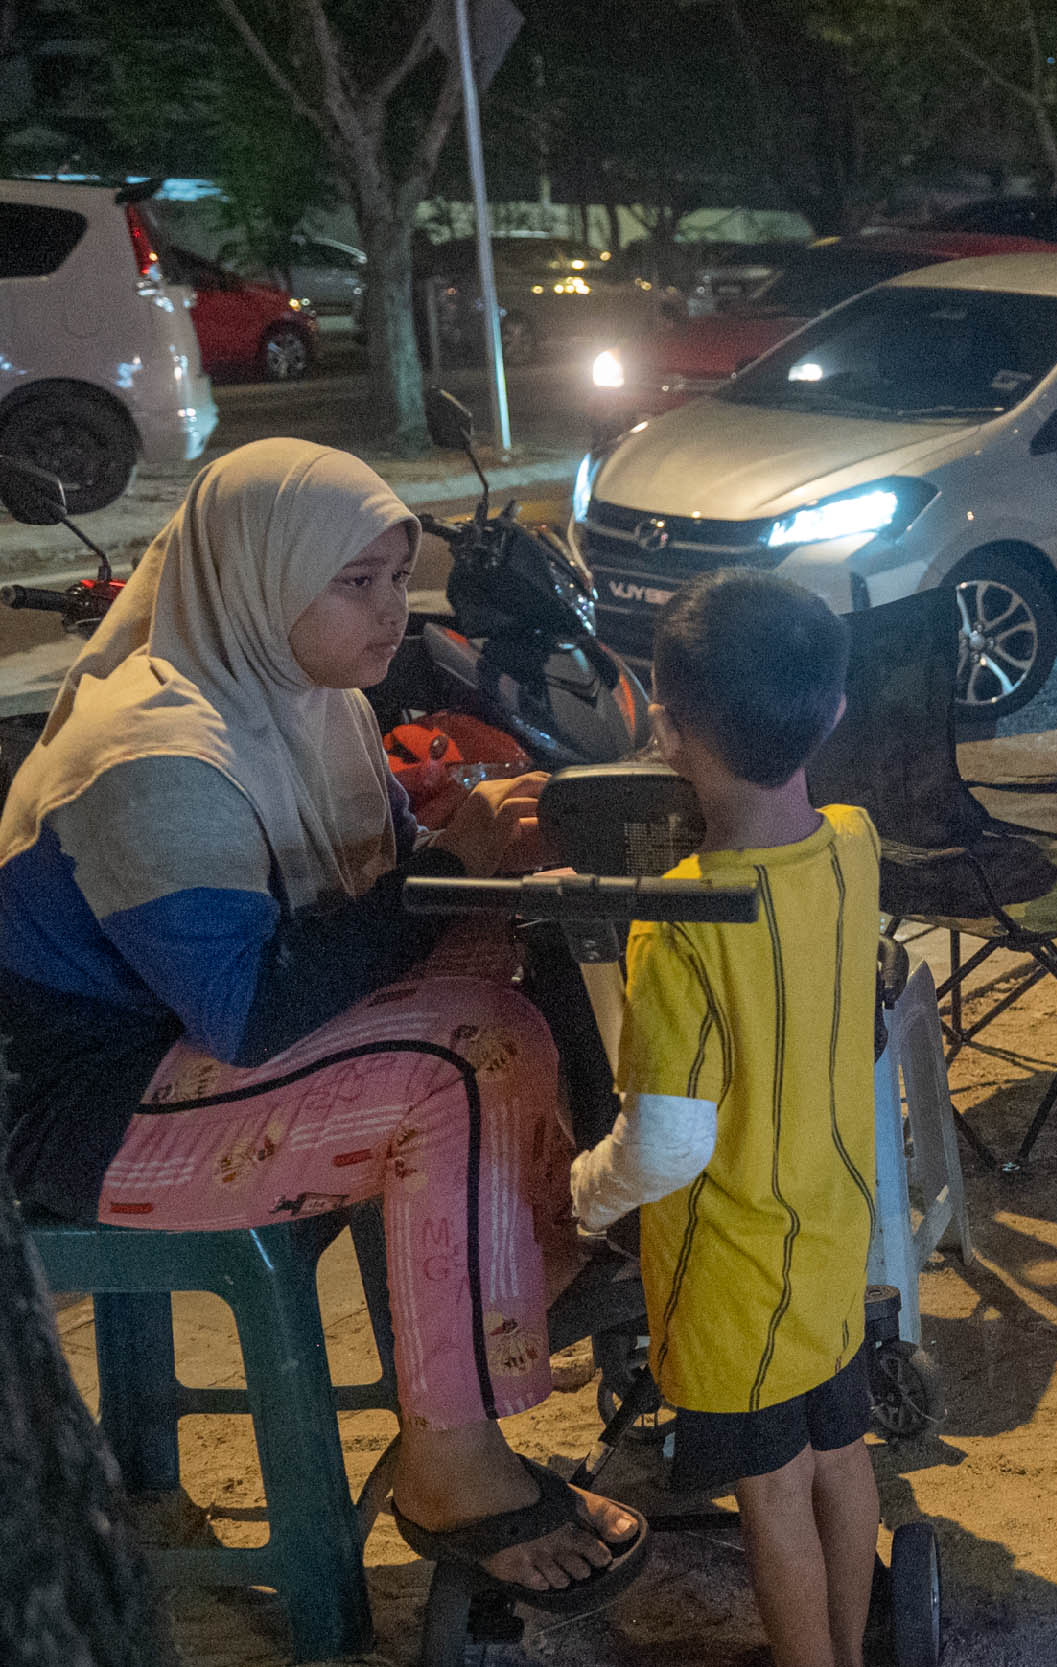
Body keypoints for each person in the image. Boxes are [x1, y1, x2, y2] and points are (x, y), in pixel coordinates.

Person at [0, 440, 640, 1601]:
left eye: (399, 576)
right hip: (93, 1114)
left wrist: (476, 836)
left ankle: (532, 1275)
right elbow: (253, 1010)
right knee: (451, 1065)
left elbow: (380, 879)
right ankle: (451, 1462)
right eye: (356, 582)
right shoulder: (152, 756)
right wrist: (450, 859)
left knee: (519, 940)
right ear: (257, 574)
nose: (394, 609)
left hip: (195, 1055)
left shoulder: (310, 699)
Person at [574, 569, 880, 1667]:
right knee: (839, 1450)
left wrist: (581, 1190)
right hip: (835, 1236)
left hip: (735, 1274)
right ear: (834, 712)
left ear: (668, 725)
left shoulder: (678, 922)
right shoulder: (854, 844)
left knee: (771, 1488)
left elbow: (666, 1142)